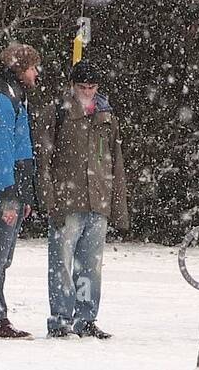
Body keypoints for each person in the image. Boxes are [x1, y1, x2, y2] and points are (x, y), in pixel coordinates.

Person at [34, 60, 129, 338]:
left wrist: (117, 206)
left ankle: (85, 319)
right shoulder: (58, 112)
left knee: (90, 266)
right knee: (61, 264)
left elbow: (116, 164)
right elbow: (44, 159)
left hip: (97, 202)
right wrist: (49, 199)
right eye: (82, 86)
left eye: (92, 86)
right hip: (67, 200)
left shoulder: (107, 117)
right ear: (72, 86)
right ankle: (61, 319)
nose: (88, 91)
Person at [0, 44, 41, 339]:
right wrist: (8, 195)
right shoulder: (2, 99)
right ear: (20, 69)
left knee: (0, 259)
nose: (36, 74)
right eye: (33, 68)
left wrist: (24, 195)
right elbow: (1, 151)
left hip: (11, 191)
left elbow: (20, 149)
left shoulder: (15, 97)